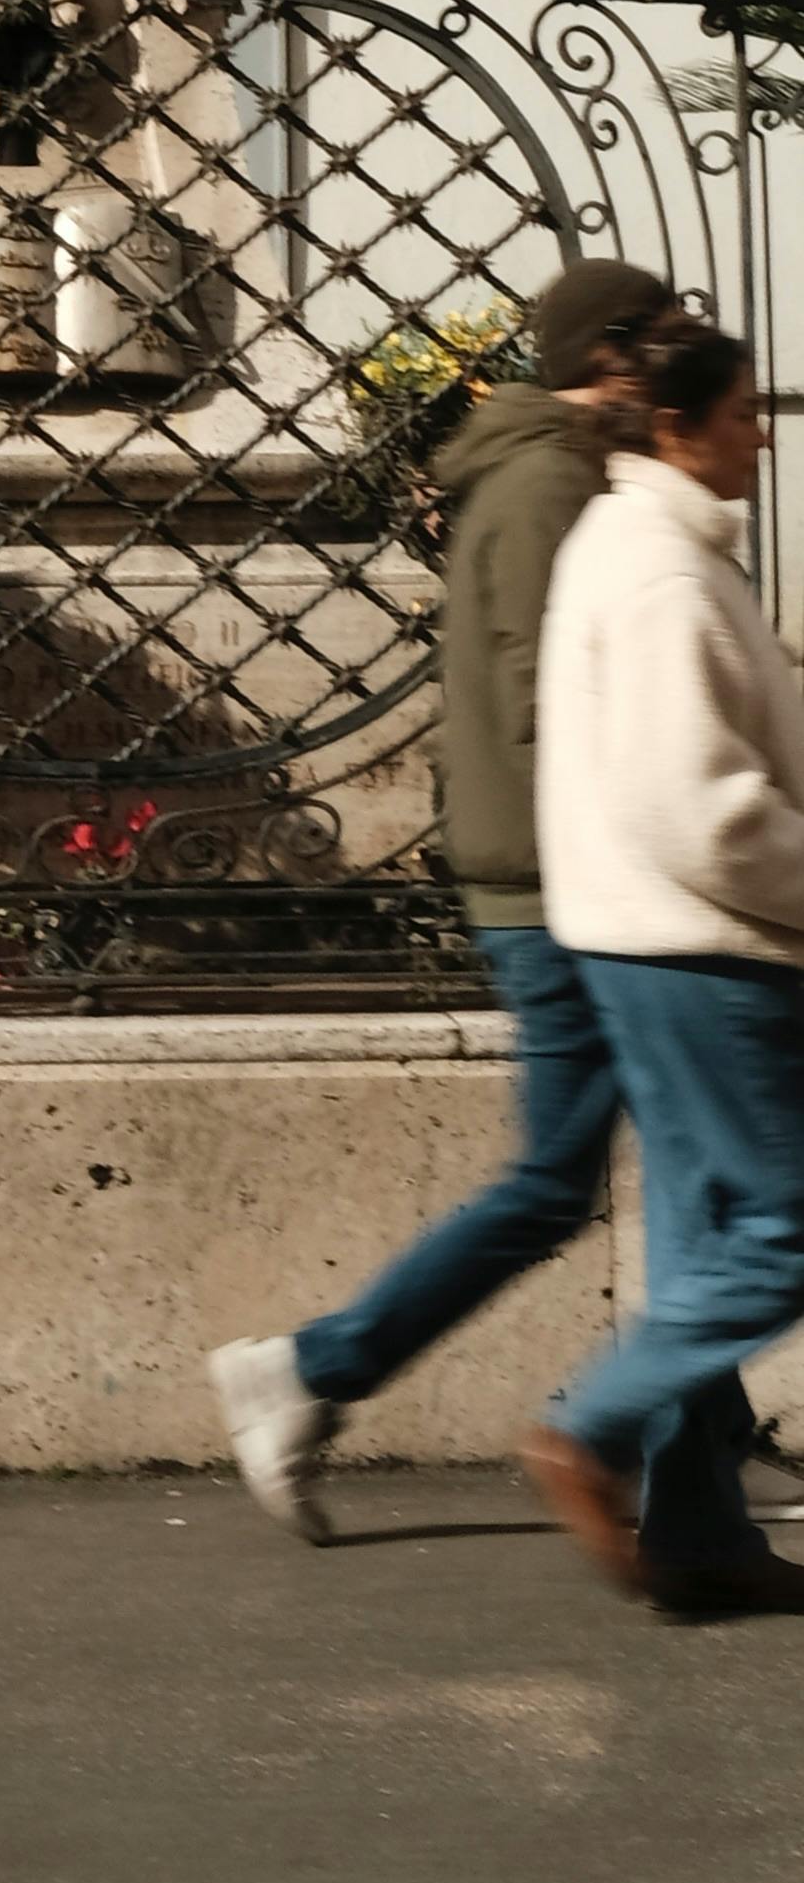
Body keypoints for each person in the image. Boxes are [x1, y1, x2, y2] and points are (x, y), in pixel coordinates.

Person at [204, 260, 768, 1565]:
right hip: (560, 883)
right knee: (575, 1183)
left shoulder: (563, 469)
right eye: (661, 341)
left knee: (678, 1178)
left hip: (571, 876)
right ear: (613, 356)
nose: (682, 364)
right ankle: (314, 1369)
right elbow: (552, 700)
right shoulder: (545, 483)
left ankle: (697, 1465)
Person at [523, 324, 804, 1616]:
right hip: (703, 949)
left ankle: (700, 1535)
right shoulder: (662, 573)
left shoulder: (654, 549)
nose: (761, 431)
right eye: (743, 412)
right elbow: (701, 809)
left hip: (649, 941)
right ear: (681, 425)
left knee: (704, 1244)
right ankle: (589, 1425)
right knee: (786, 1231)